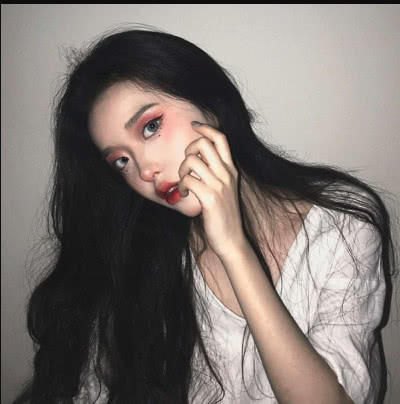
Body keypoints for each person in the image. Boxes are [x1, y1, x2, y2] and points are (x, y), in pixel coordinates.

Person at [14, 27, 395, 404]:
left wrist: (233, 247)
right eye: (121, 161)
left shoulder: (340, 225)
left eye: (151, 126)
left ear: (209, 103)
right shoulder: (142, 252)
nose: (145, 171)